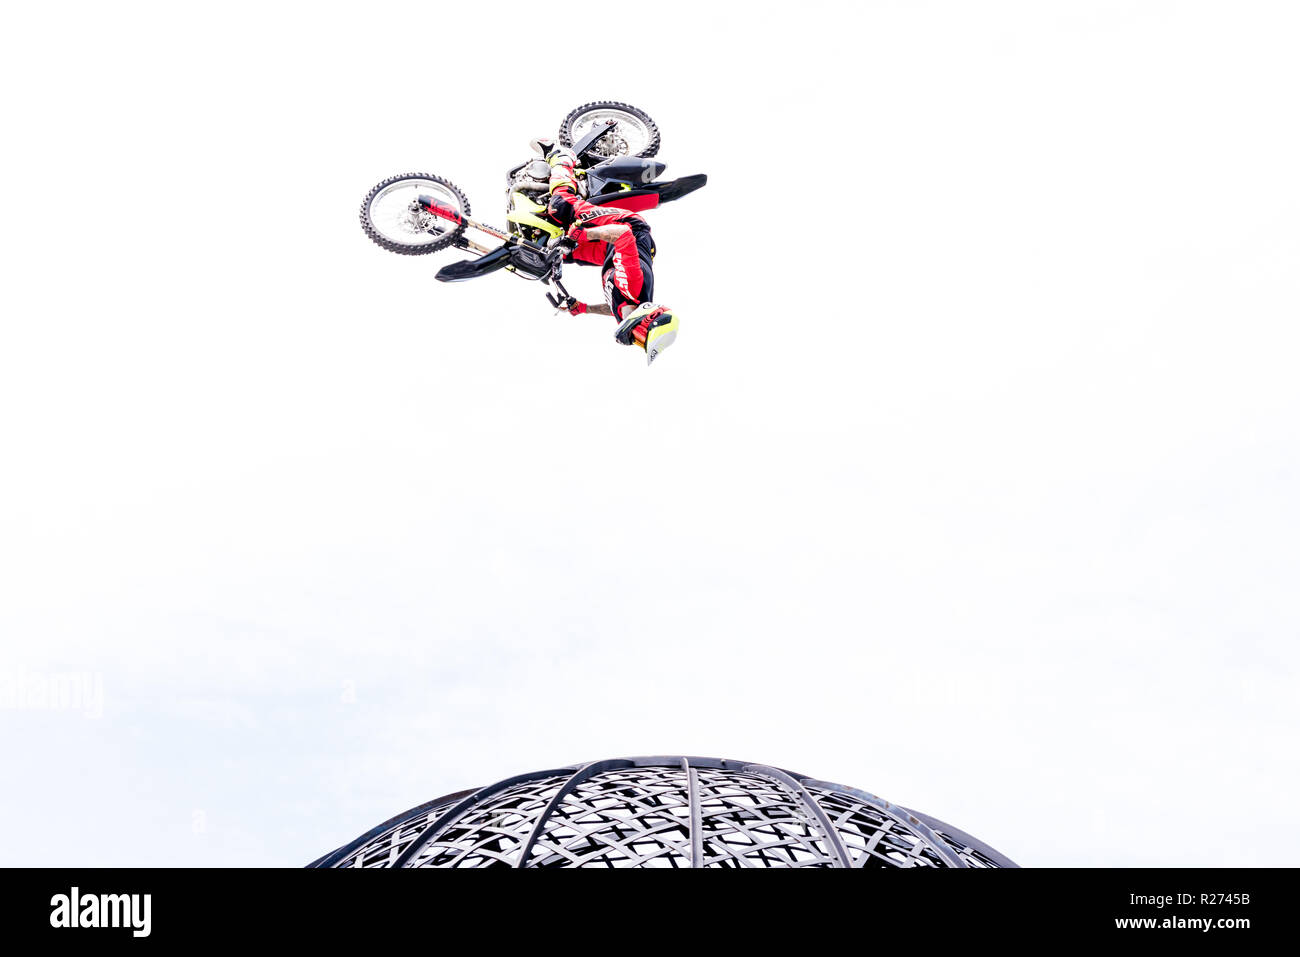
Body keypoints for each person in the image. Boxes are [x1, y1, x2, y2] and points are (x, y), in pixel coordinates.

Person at [531, 139, 678, 364]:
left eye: (640, 343)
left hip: (608, 251)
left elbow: (611, 309)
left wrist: (584, 308)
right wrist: (586, 234)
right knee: (560, 205)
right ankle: (559, 155)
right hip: (627, 229)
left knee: (553, 253)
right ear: (649, 320)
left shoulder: (625, 311)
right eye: (641, 339)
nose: (635, 341)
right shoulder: (633, 285)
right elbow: (623, 235)